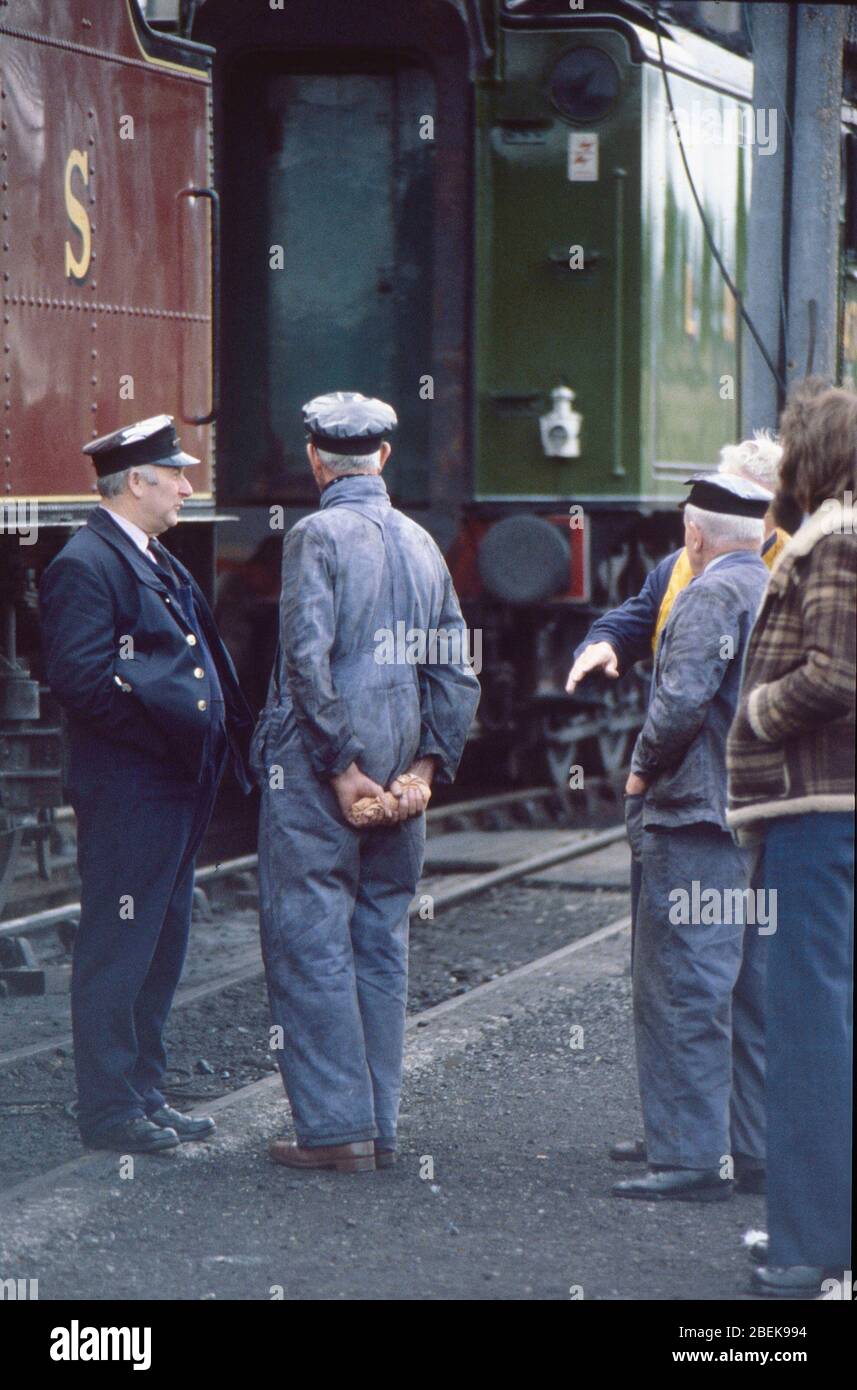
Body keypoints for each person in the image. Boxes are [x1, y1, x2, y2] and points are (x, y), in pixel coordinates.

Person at [253, 391, 480, 1174]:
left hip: (323, 776)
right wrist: (422, 771)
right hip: (400, 771)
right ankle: (379, 1126)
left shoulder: (314, 536)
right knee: (380, 942)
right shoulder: (423, 543)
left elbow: (306, 664)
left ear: (316, 459)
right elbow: (453, 670)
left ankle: (333, 1131)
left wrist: (341, 768)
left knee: (311, 939)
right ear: (383, 457)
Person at [566, 433, 784, 1187]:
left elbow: (682, 700)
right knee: (748, 988)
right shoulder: (767, 586)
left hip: (692, 817)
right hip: (754, 816)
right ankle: (751, 1149)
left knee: (683, 985)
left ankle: (689, 1157)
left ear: (693, 534)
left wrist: (636, 774)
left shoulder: (707, 592)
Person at [40, 417, 254, 1154]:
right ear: (137, 481)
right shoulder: (86, 563)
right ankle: (108, 1112)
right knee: (119, 945)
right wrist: (164, 742)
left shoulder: (147, 554)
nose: (188, 488)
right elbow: (80, 681)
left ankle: (145, 1094)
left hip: (171, 784)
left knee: (161, 943)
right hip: (133, 788)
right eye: (177, 475)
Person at [727, 380, 855, 1297]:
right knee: (826, 1023)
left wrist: (757, 713)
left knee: (811, 1031)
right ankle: (815, 1231)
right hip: (827, 812)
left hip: (820, 815)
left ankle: (809, 1250)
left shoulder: (835, 542)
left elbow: (836, 674)